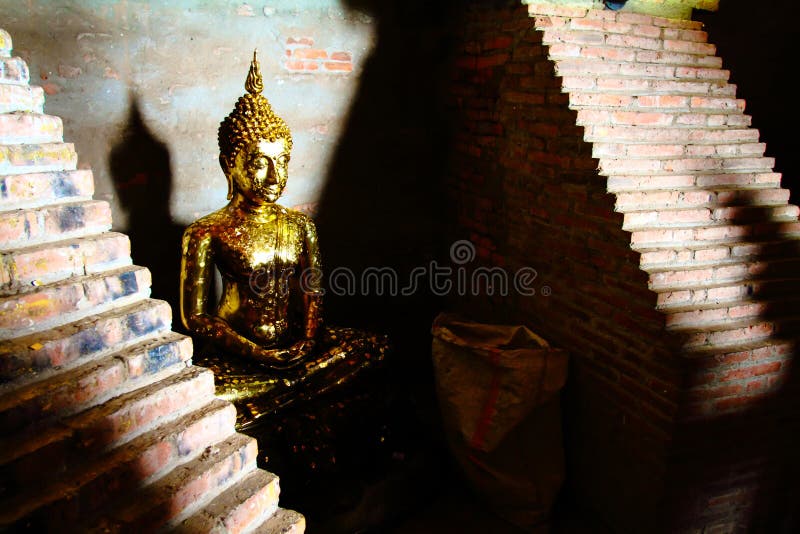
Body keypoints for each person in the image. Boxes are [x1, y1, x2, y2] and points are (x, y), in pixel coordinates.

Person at [180, 51, 387, 427]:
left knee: (371, 346)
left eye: (283, 161)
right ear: (229, 164)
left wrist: (306, 343)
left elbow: (313, 295)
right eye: (260, 163)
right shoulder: (206, 231)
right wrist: (257, 353)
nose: (275, 177)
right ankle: (290, 389)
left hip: (295, 347)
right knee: (201, 393)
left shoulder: (299, 225)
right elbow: (195, 317)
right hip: (240, 354)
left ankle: (276, 394)